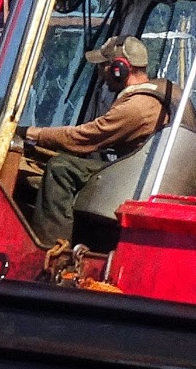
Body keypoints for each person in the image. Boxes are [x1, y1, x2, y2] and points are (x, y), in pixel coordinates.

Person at [21, 35, 179, 248]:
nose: (100, 74)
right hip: (137, 171)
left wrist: (32, 133)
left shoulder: (136, 108)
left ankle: (49, 248)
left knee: (61, 168)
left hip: (133, 178)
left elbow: (82, 138)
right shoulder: (159, 91)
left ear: (119, 68)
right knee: (86, 160)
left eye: (103, 66)